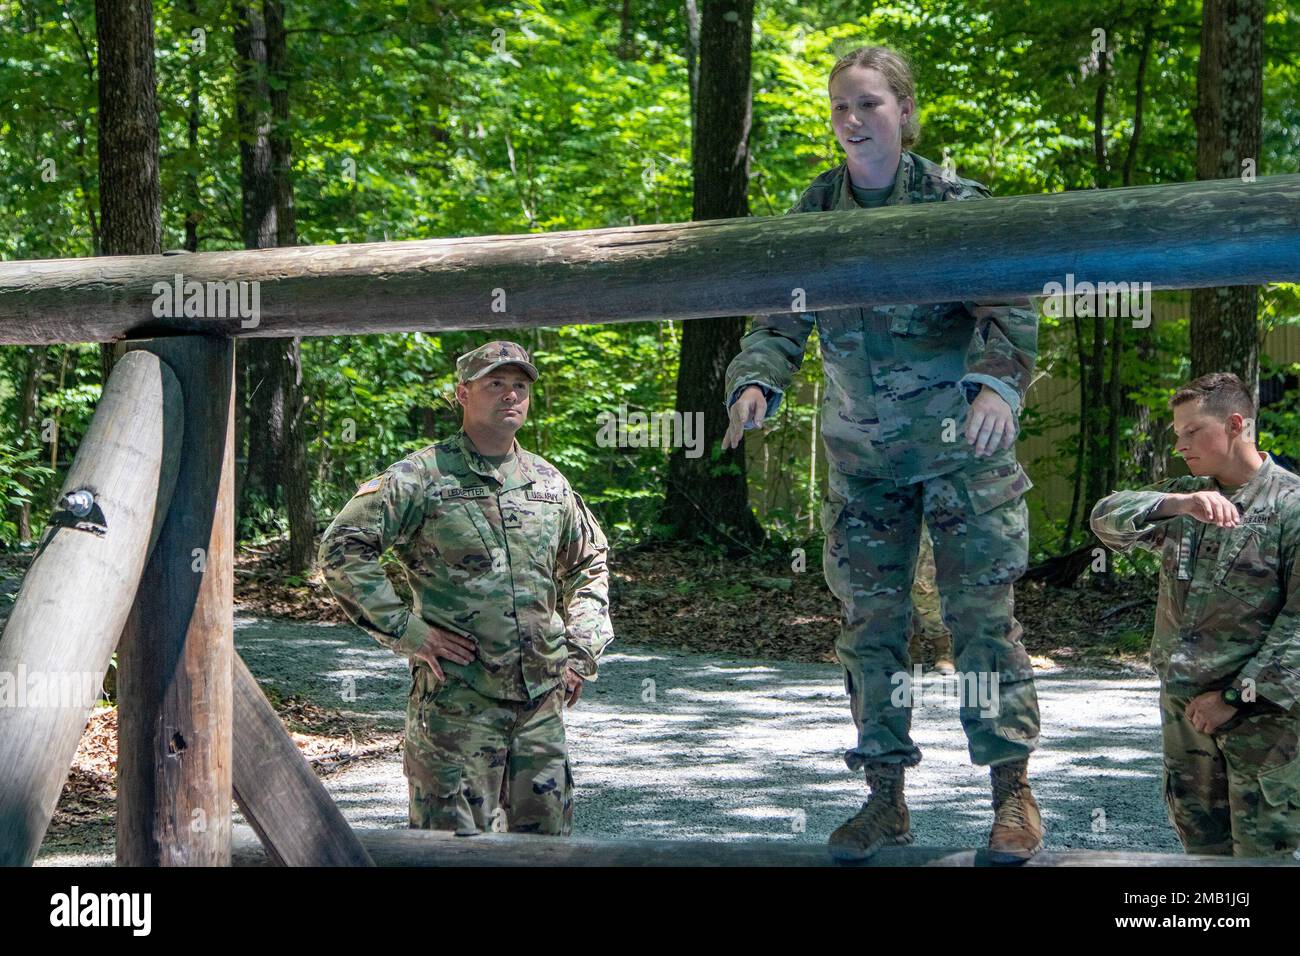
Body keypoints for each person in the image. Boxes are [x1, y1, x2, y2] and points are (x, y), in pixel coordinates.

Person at [723, 45, 1043, 862]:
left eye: (868, 103)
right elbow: (776, 319)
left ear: (903, 111)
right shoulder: (816, 212)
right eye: (840, 108)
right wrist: (757, 382)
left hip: (963, 455)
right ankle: (885, 798)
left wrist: (996, 389)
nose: (852, 120)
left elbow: (1012, 307)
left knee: (981, 624)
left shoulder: (950, 202)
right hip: (863, 461)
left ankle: (1011, 795)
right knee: (870, 627)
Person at [318, 340, 614, 835]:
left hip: (540, 705)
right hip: (458, 706)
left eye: (519, 386)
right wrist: (408, 632)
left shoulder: (548, 482)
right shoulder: (422, 477)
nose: (510, 396)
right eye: (494, 384)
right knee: (450, 850)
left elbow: (591, 560)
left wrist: (580, 652)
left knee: (546, 851)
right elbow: (343, 548)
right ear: (462, 393)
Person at [1091, 372, 1300, 858]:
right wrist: (1176, 503)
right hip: (1185, 715)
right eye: (1176, 434)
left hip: (1261, 721)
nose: (1180, 445)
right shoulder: (1188, 495)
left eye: (1192, 431)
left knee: (1265, 853)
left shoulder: (1291, 506)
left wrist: (1235, 697)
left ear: (1234, 425)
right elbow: (1104, 518)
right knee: (1203, 851)